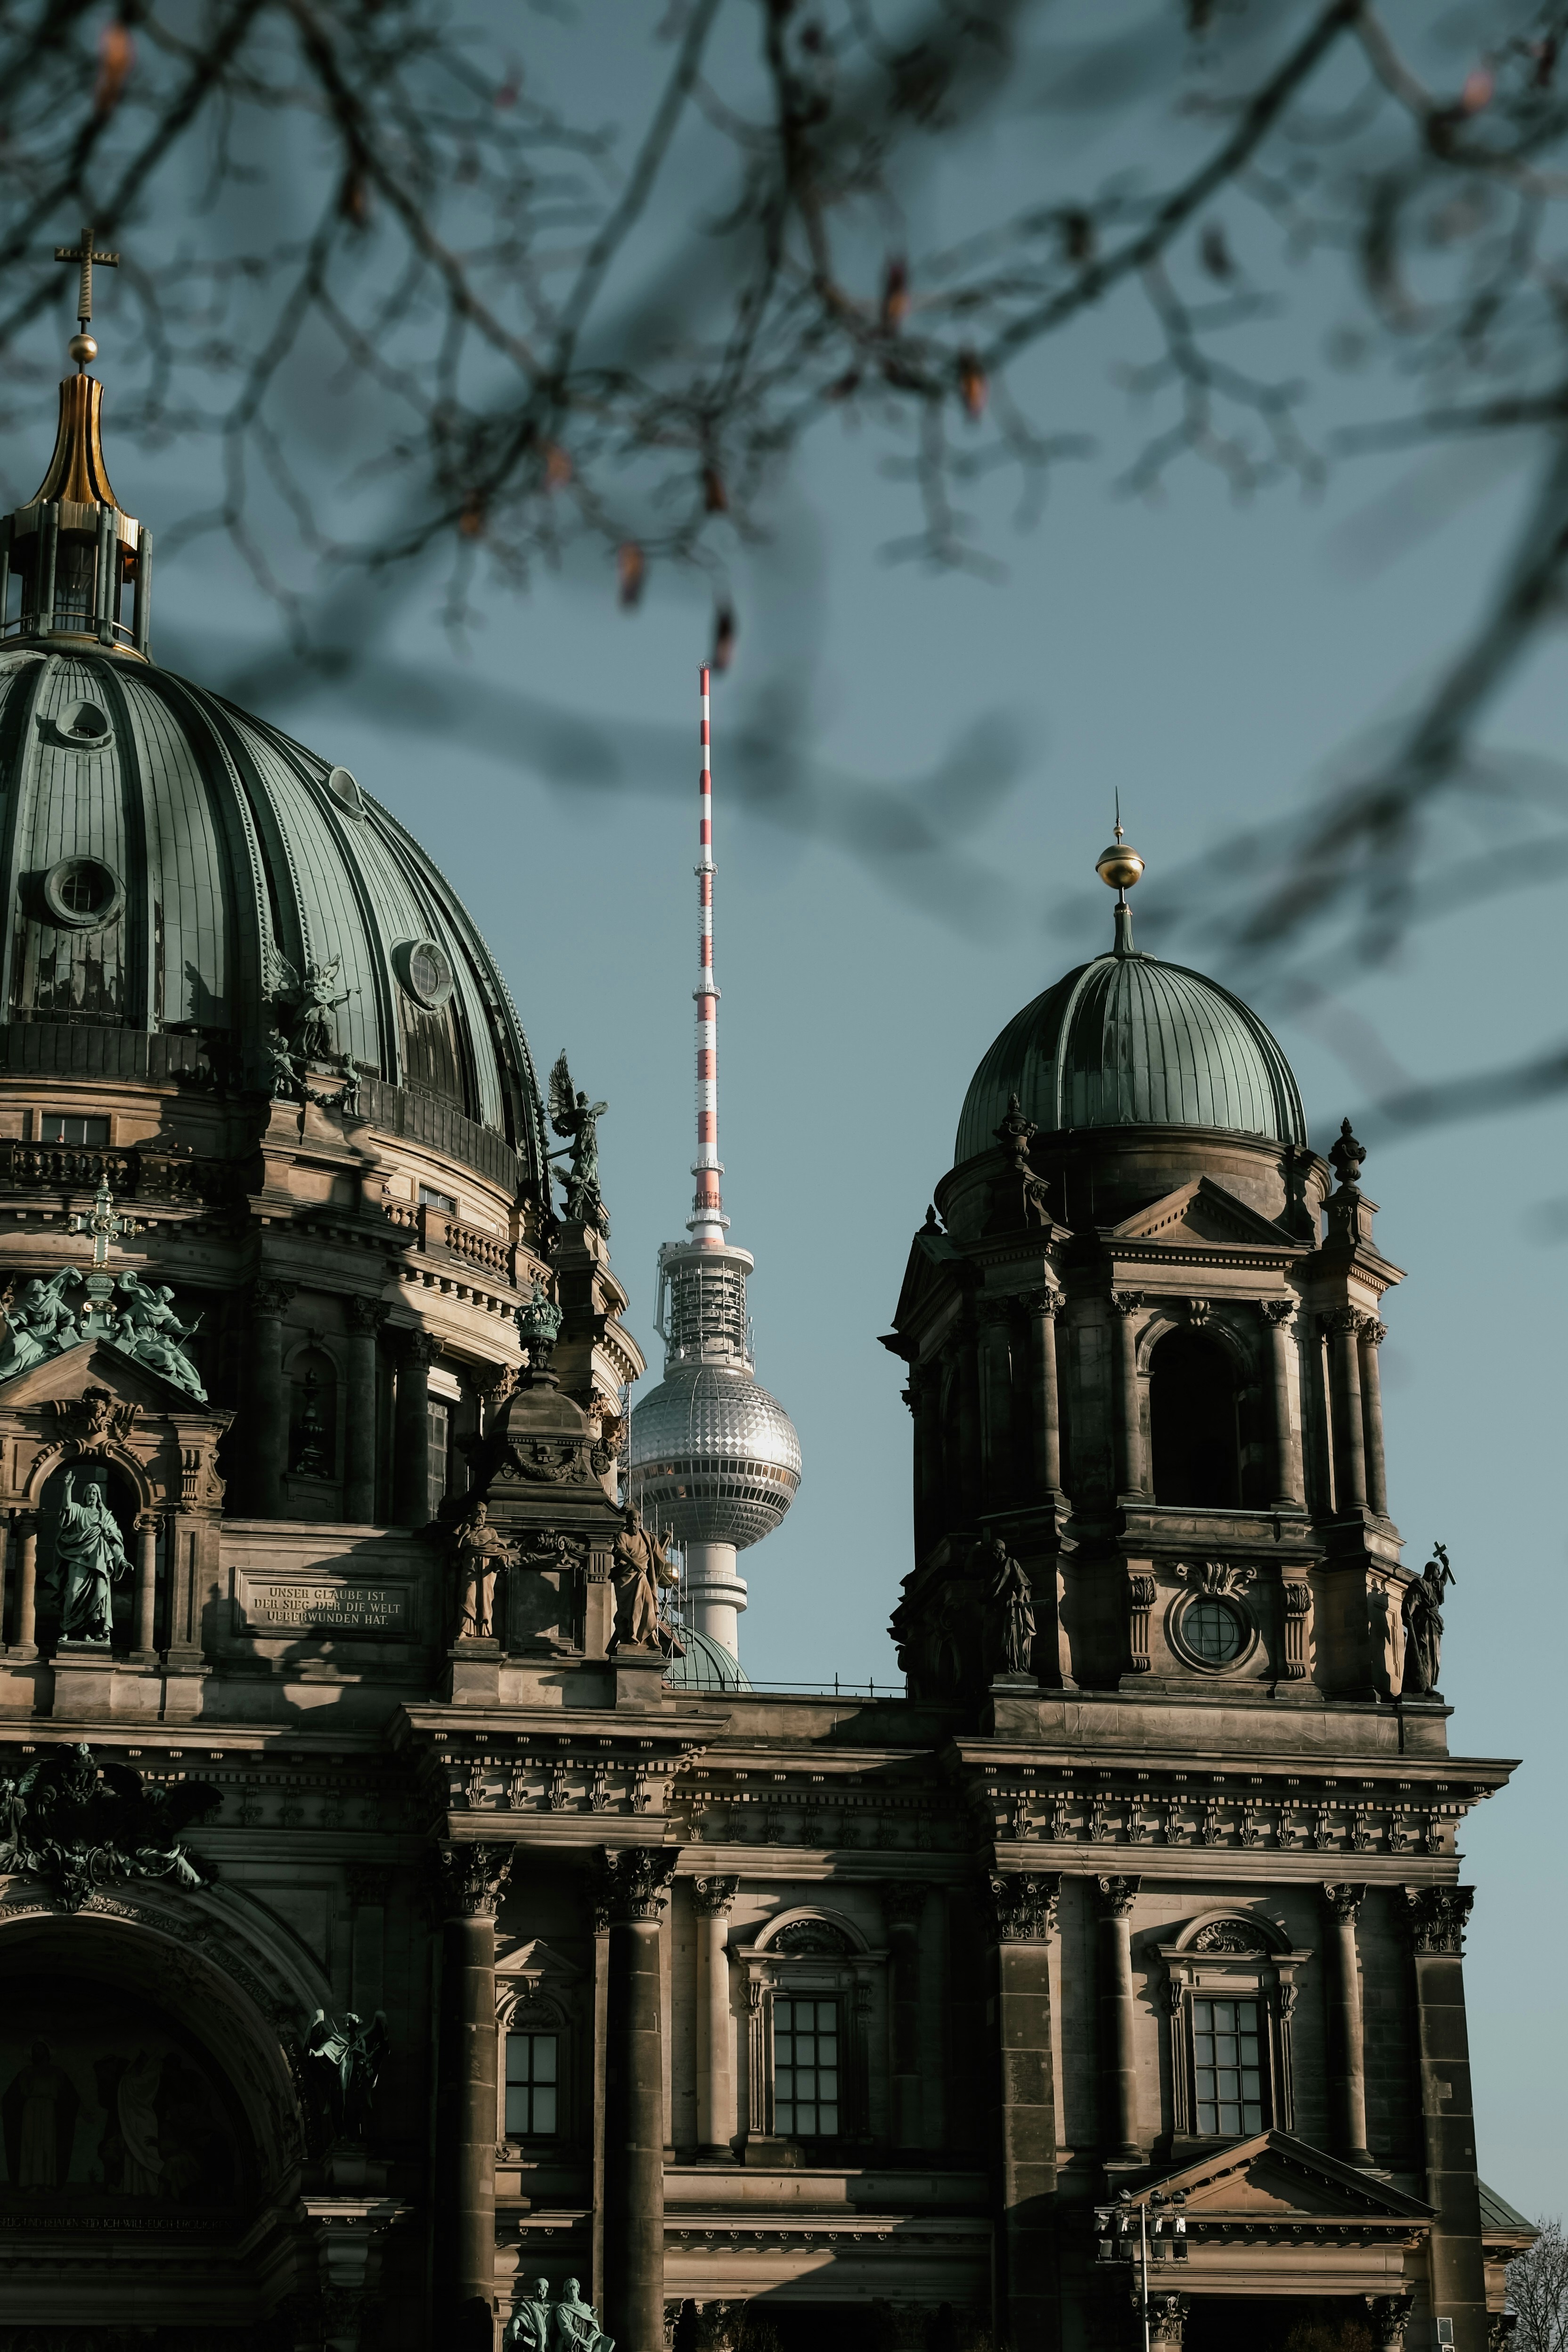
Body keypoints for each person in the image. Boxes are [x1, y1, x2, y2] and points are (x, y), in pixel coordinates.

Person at [56, 1465, 131, 1644]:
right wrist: (68, 1487)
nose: (92, 1495)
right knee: (73, 1593)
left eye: (95, 1493)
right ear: (85, 1495)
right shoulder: (79, 1511)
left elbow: (115, 1540)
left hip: (99, 1562)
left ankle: (91, 1632)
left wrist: (121, 1558)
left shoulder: (106, 1517)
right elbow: (67, 1508)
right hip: (79, 1558)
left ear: (99, 1497)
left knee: (98, 1597)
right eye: (89, 1492)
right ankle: (69, 1629)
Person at [113, 1273, 206, 1399]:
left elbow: (181, 1329)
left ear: (163, 1297)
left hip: (158, 1337)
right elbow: (126, 1316)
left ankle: (195, 1389)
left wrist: (190, 1329)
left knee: (180, 1358)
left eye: (157, 1292)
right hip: (142, 1336)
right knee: (165, 1356)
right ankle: (172, 1373)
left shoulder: (166, 1312)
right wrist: (130, 1329)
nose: (154, 1292)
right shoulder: (142, 1305)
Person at [0, 1270, 83, 1380]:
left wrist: (69, 1326)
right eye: (40, 1284)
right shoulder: (29, 1304)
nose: (44, 1285)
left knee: (23, 1356)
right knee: (13, 1343)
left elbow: (70, 1316)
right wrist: (8, 1320)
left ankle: (2, 1374)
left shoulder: (54, 1302)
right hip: (32, 1332)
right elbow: (18, 1320)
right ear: (35, 1289)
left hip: (46, 1338)